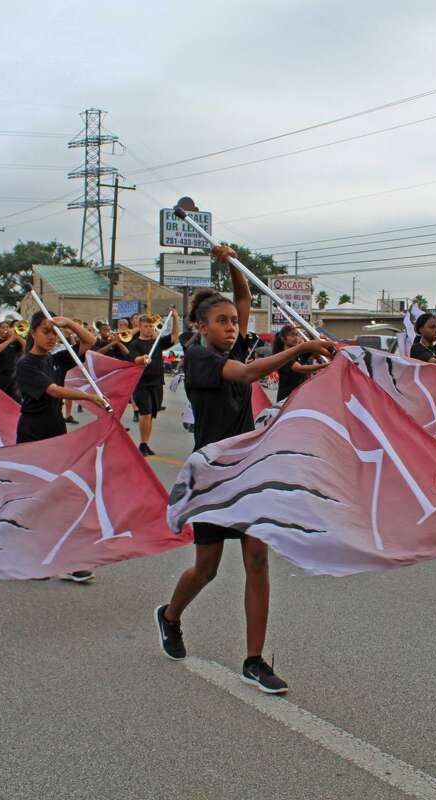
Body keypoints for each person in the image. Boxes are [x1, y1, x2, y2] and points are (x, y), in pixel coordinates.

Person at [154, 247, 335, 694]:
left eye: (235, 322)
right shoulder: (199, 358)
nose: (232, 328)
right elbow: (247, 373)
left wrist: (233, 265)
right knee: (207, 569)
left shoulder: (234, 339)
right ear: (201, 327)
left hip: (247, 471)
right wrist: (305, 346)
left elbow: (243, 300)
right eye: (223, 322)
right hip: (212, 475)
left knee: (257, 557)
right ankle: (170, 615)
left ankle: (254, 660)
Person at [15, 311, 103, 583]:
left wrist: (69, 323)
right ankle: (31, 557)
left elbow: (90, 342)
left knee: (63, 494)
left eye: (54, 332)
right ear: (33, 333)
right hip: (33, 432)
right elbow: (52, 390)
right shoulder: (26, 364)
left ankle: (66, 560)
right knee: (37, 496)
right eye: (45, 331)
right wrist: (88, 396)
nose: (51, 337)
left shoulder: (56, 359)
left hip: (56, 429)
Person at [126, 309, 178, 456]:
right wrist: (142, 359)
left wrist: (174, 318)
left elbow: (174, 338)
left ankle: (145, 443)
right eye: (146, 326)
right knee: (145, 414)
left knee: (151, 416)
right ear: (140, 327)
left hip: (157, 383)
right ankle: (142, 444)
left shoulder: (157, 342)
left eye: (151, 326)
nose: (149, 328)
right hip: (141, 384)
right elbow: (134, 359)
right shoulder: (135, 344)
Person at [272, 324, 327, 402]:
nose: (295, 338)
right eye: (292, 335)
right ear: (282, 338)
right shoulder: (282, 355)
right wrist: (324, 366)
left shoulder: (299, 353)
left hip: (299, 397)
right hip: (286, 399)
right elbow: (301, 368)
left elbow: (316, 350)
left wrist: (309, 330)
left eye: (296, 334)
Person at [0, 321, 25, 400]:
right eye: (3, 327)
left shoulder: (15, 341)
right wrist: (9, 340)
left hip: (14, 376)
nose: (6, 329)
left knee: (16, 400)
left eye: (7, 327)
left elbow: (27, 348)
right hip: (0, 376)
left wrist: (18, 337)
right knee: (0, 399)